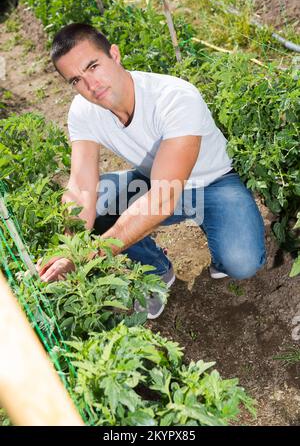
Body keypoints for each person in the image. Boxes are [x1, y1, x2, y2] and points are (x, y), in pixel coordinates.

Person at [38, 23, 266, 319]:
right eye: (77, 81)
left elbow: (162, 200)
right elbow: (81, 185)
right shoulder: (83, 111)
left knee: (241, 261)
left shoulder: (174, 98)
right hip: (154, 181)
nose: (91, 86)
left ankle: (223, 231)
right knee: (99, 200)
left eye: (93, 66)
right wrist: (69, 245)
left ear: (115, 55)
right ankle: (156, 271)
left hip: (213, 184)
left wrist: (88, 255)